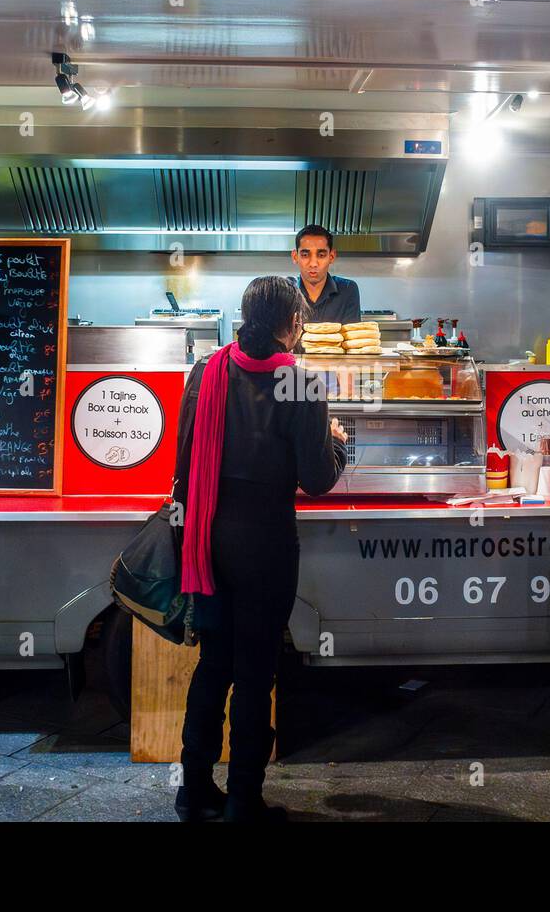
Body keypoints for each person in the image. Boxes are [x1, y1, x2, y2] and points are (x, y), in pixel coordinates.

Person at [173, 275, 349, 822]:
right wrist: (340, 444)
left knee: (213, 667)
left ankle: (193, 791)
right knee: (255, 673)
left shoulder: (204, 370)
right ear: (292, 324)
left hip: (205, 541)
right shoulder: (301, 382)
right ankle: (243, 802)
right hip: (266, 545)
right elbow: (317, 479)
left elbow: (183, 463)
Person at [288, 224, 361, 327]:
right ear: (295, 257)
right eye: (305, 255)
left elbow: (352, 339)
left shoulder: (348, 290)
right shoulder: (285, 292)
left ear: (331, 257)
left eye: (321, 255)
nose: (313, 263)